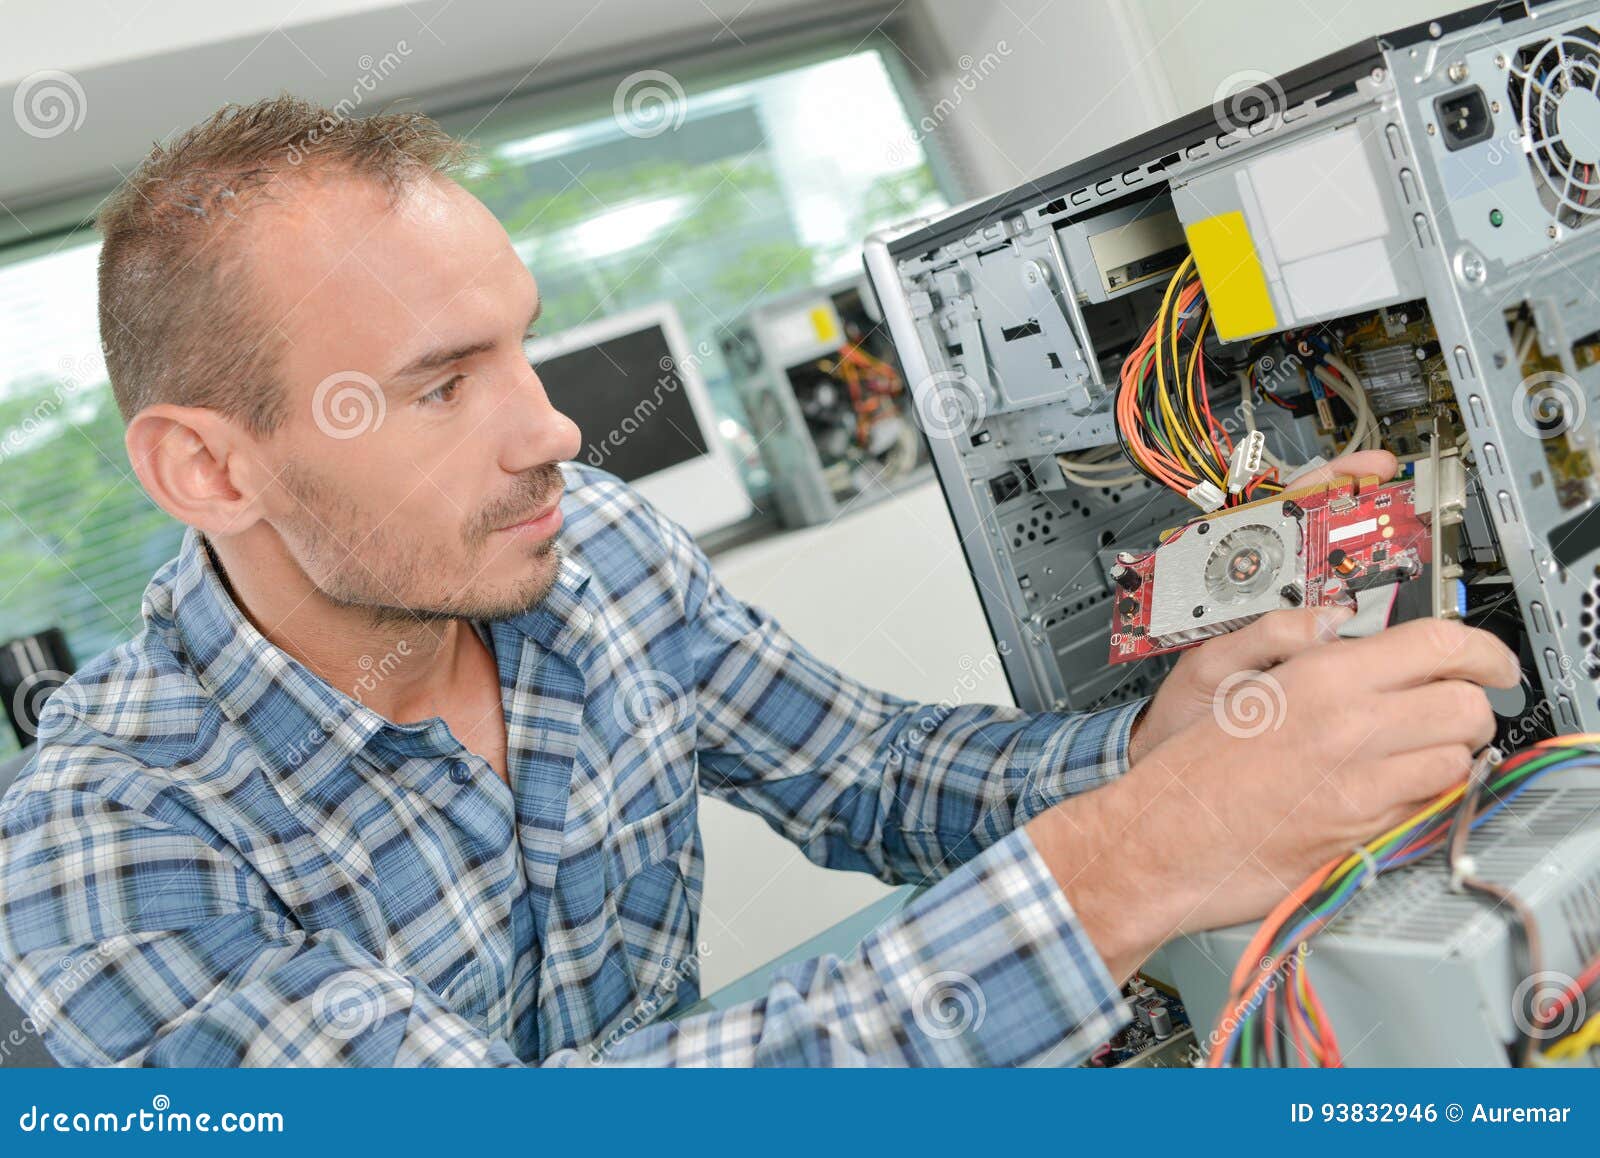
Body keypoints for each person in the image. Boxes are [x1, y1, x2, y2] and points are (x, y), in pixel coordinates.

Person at [0, 97, 1517, 1067]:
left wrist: (1154, 751)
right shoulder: (104, 855)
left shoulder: (589, 552)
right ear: (211, 470)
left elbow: (868, 773)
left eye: (524, 344)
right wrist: (1134, 859)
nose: (555, 431)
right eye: (442, 385)